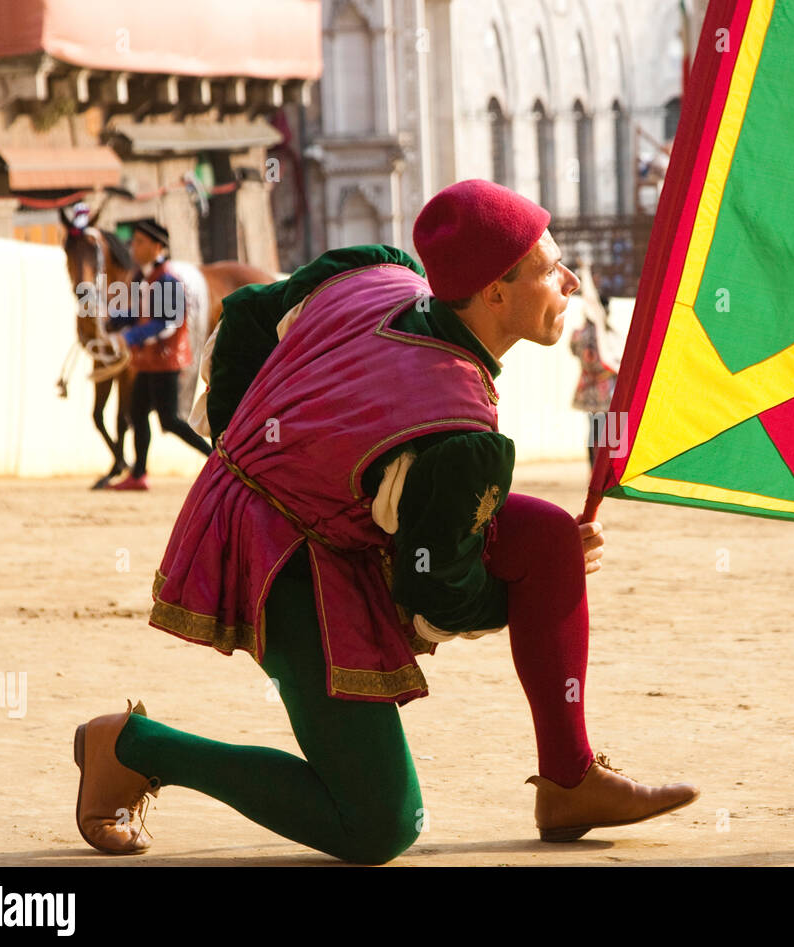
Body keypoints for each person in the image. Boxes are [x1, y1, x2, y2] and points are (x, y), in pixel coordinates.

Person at [71, 180, 698, 864]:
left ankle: (570, 780)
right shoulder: (463, 439)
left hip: (308, 512)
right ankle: (130, 748)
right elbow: (441, 598)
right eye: (550, 269)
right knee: (378, 826)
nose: (571, 281)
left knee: (548, 539)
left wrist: (257, 442)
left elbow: (250, 312)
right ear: (493, 293)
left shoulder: (371, 270)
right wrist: (264, 461)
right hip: (287, 557)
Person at [103, 219, 212, 490]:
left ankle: (215, 460)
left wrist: (128, 336)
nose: (134, 247)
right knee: (137, 413)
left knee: (171, 421)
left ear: (156, 246)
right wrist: (115, 319)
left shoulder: (167, 280)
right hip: (149, 361)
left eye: (139, 242)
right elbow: (145, 315)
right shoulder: (147, 278)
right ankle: (139, 474)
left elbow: (166, 323)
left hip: (166, 361)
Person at [569, 264, 624, 468]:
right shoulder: (607, 335)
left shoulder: (578, 334)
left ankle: (595, 471)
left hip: (588, 388)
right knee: (612, 434)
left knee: (595, 432)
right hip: (607, 390)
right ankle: (609, 472)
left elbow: (574, 351)